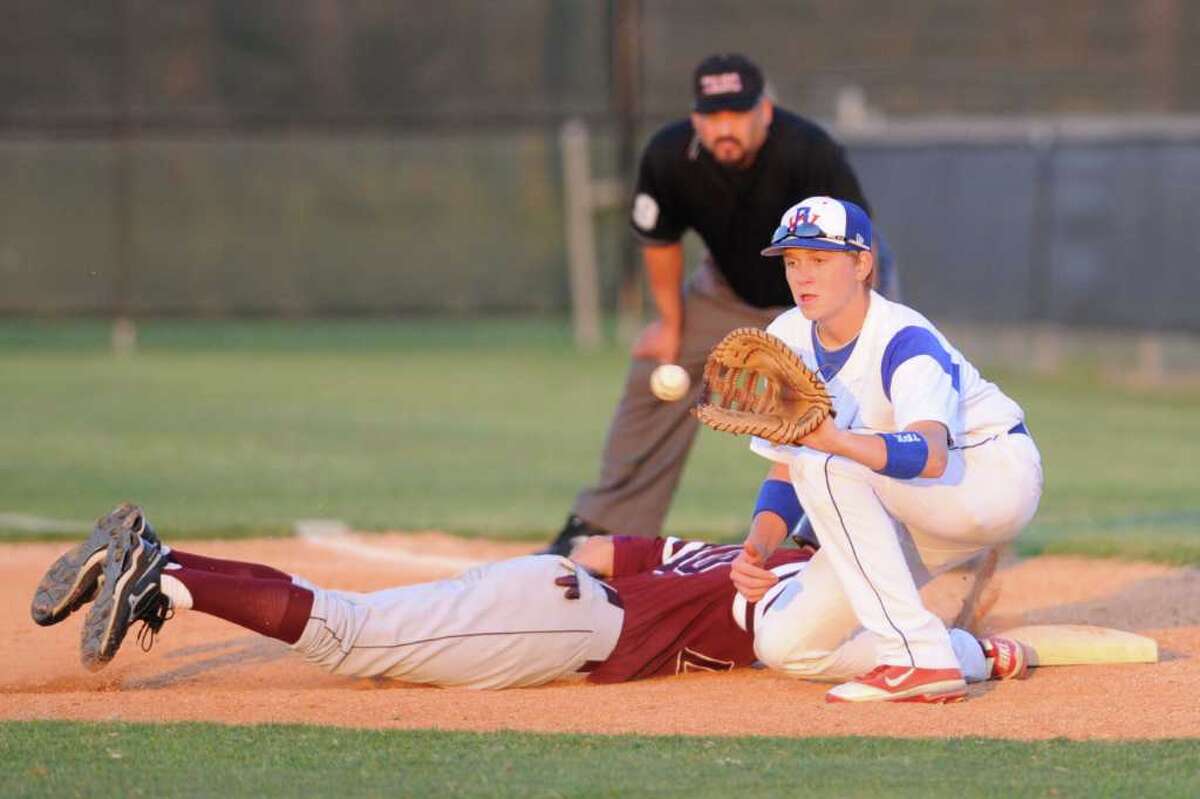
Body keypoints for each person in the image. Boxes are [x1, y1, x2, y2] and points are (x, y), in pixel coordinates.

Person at [31, 503, 1026, 690]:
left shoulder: (731, 548)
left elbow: (592, 541)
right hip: (571, 626)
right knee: (354, 634)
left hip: (551, 587)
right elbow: (832, 634)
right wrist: (979, 645)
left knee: (362, 628)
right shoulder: (808, 586)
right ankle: (164, 574)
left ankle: (161, 561)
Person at [544, 53, 898, 555]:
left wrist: (853, 336)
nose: (724, 127)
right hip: (728, 294)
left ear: (765, 111)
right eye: (713, 116)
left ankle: (864, 533)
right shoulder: (670, 156)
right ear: (696, 119)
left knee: (865, 397)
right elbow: (660, 239)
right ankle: (604, 527)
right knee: (656, 370)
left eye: (737, 113)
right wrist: (670, 323)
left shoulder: (808, 150)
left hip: (833, 290)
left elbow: (858, 247)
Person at [730, 196, 1043, 703]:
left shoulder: (902, 337)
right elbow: (788, 468)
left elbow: (931, 452)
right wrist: (760, 545)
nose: (802, 276)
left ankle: (916, 659)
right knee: (787, 644)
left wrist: (833, 441)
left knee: (827, 461)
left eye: (819, 260)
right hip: (906, 501)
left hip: (987, 476)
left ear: (862, 263)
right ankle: (963, 654)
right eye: (792, 262)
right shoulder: (785, 337)